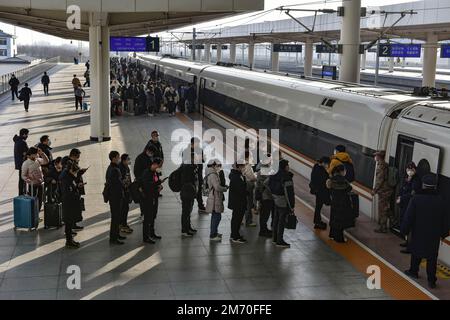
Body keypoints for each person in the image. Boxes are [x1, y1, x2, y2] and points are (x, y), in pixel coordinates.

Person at [402, 174, 449, 289]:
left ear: (423, 185)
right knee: (432, 257)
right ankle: (431, 280)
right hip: (433, 235)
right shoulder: (441, 201)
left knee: (416, 252)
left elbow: (409, 217)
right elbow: (446, 219)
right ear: (434, 187)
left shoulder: (416, 199)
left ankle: (414, 271)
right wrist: (443, 233)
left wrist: (404, 230)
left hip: (418, 232)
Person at [269, 159, 295, 248]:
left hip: (275, 199)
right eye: (287, 165)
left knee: (276, 219)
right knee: (281, 221)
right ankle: (280, 240)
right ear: (284, 166)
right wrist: (292, 206)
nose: (289, 167)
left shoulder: (274, 173)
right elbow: (289, 193)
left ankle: (275, 239)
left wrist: (273, 194)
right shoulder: (286, 177)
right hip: (283, 201)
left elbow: (266, 183)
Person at [397, 162, 422, 253]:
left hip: (410, 205)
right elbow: (402, 188)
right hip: (404, 204)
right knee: (404, 222)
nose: (409, 171)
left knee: (410, 226)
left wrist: (402, 198)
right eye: (408, 170)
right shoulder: (406, 178)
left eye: (412, 170)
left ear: (415, 170)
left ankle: (410, 247)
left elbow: (413, 193)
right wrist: (399, 196)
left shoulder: (416, 180)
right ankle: (407, 242)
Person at [326, 164, 354, 243]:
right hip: (343, 203)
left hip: (334, 201)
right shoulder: (343, 180)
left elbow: (329, 187)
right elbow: (349, 188)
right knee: (340, 221)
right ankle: (339, 238)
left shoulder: (331, 179)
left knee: (333, 218)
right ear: (342, 171)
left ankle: (332, 235)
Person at [138, 158, 163, 243]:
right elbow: (147, 186)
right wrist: (157, 183)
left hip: (154, 197)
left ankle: (152, 233)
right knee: (147, 218)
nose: (159, 167)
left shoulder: (155, 173)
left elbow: (155, 183)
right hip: (147, 198)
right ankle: (146, 237)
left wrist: (159, 186)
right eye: (159, 166)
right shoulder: (146, 173)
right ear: (155, 164)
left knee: (153, 216)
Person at [61, 148, 87, 231]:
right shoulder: (67, 165)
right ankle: (70, 228)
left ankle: (74, 223)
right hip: (70, 195)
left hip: (75, 189)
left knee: (75, 209)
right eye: (77, 156)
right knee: (70, 212)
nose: (78, 158)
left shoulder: (72, 165)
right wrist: (79, 173)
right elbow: (72, 178)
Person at [205, 160, 229, 241]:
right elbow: (217, 187)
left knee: (215, 215)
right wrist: (225, 188)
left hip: (215, 196)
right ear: (214, 166)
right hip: (215, 197)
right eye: (218, 166)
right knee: (217, 216)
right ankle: (213, 234)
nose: (219, 168)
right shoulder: (213, 174)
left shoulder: (211, 173)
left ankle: (214, 232)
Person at [106, 151, 126, 245]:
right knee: (115, 218)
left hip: (113, 196)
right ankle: (114, 238)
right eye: (118, 157)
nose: (119, 159)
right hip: (116, 197)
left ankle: (116, 234)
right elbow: (118, 184)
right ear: (113, 158)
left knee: (116, 217)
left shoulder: (110, 168)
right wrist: (124, 183)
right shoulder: (114, 169)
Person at [60, 162, 82, 248]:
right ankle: (69, 241)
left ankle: (70, 240)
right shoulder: (66, 180)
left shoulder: (68, 177)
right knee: (68, 223)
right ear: (70, 171)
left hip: (69, 203)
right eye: (75, 172)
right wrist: (75, 189)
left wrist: (76, 186)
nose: (75, 174)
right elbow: (68, 192)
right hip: (68, 203)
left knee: (69, 223)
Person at [372, 150, 394, 233]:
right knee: (385, 208)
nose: (375, 157)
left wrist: (374, 190)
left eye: (376, 156)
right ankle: (392, 220)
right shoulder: (385, 165)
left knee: (382, 210)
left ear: (379, 157)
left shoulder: (381, 166)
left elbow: (379, 180)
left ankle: (383, 227)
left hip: (383, 191)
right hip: (386, 190)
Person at [255, 155, 274, 237]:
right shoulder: (264, 171)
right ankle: (263, 230)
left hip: (263, 195)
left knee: (264, 214)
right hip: (266, 195)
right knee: (265, 214)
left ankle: (264, 229)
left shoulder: (262, 170)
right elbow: (266, 183)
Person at [228, 163, 248, 244]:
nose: (244, 168)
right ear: (238, 167)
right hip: (237, 201)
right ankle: (234, 236)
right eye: (242, 166)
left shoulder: (239, 175)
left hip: (240, 201)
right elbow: (239, 189)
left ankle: (235, 234)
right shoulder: (235, 176)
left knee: (238, 219)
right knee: (236, 218)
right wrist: (246, 192)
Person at [310, 157, 331, 230]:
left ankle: (317, 221)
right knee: (318, 207)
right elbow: (324, 181)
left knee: (318, 207)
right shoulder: (320, 170)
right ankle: (317, 222)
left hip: (317, 191)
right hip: (321, 191)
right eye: (327, 164)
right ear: (324, 163)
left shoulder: (316, 166)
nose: (328, 165)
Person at [180, 160, 199, 237]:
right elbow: (190, 181)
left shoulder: (190, 167)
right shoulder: (188, 168)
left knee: (188, 211)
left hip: (189, 192)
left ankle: (188, 227)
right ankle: (185, 230)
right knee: (186, 211)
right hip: (187, 193)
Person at [118, 154, 133, 234]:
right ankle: (122, 225)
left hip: (127, 191)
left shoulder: (126, 167)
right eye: (128, 159)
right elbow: (122, 181)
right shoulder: (121, 168)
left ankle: (124, 224)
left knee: (125, 208)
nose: (129, 160)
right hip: (123, 192)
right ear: (123, 160)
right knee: (123, 209)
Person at [13, 128, 29, 195]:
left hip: (19, 163)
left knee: (21, 179)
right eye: (27, 134)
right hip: (23, 163)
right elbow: (27, 153)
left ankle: (21, 192)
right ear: (24, 134)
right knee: (23, 179)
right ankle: (22, 193)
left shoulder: (17, 140)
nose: (27, 136)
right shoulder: (22, 142)